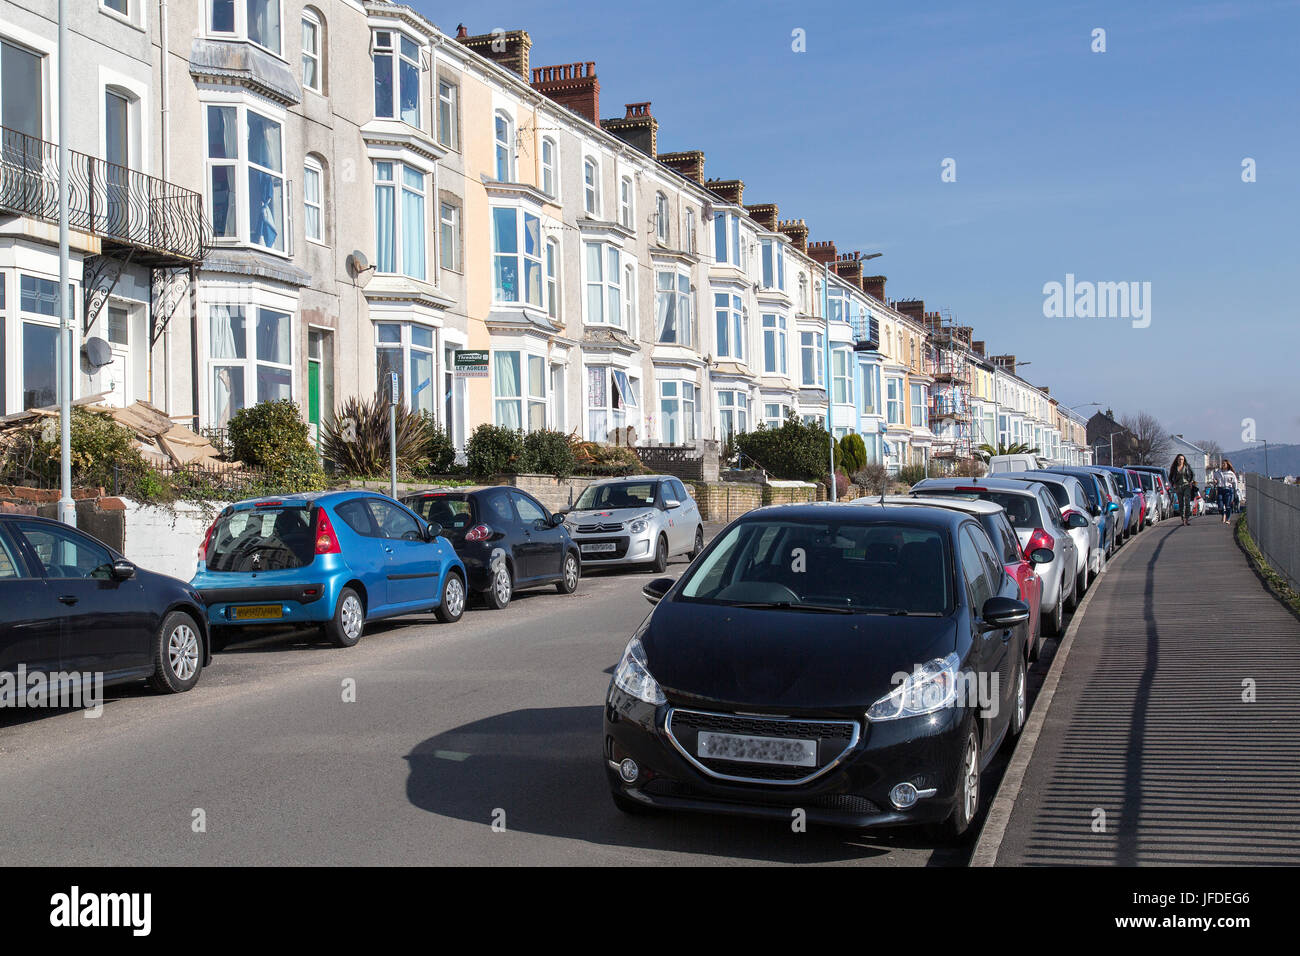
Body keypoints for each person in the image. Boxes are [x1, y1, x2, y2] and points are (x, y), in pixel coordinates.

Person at [1169, 453, 1194, 526]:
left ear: (1184, 460)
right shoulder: (1174, 468)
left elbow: (1192, 474)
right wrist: (1173, 484)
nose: (1181, 460)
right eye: (1179, 459)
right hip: (1178, 487)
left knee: (1187, 502)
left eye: (1182, 459)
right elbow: (1170, 477)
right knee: (1181, 503)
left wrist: (1191, 482)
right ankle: (1183, 519)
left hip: (1186, 485)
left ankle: (1187, 518)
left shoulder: (1187, 467)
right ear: (1177, 460)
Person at [1211, 459, 1238, 523]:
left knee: (1228, 505)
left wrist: (1235, 490)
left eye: (1224, 464)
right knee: (1220, 505)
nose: (1223, 465)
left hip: (1228, 490)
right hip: (1220, 489)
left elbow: (1235, 482)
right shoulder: (1218, 472)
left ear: (1227, 465)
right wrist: (1215, 482)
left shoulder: (1231, 473)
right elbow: (1214, 480)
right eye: (1222, 464)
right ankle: (1223, 514)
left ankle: (1228, 519)